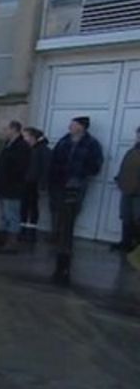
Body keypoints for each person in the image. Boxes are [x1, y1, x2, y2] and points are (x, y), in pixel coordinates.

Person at [49, 116, 104, 283]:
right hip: (59, 183)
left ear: (82, 127)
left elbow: (96, 164)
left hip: (76, 184)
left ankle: (65, 251)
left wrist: (81, 174)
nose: (70, 127)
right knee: (57, 211)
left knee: (69, 216)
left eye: (73, 124)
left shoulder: (91, 144)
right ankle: (58, 240)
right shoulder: (64, 141)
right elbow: (54, 159)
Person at [0, 120, 31, 253]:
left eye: (7, 129)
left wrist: (10, 180)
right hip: (1, 185)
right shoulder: (7, 144)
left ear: (14, 129)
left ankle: (12, 243)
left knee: (12, 215)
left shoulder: (22, 147)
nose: (4, 131)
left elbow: (20, 168)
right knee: (1, 214)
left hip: (12, 186)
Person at [19, 127, 51, 243]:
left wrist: (43, 185)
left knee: (33, 207)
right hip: (25, 182)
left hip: (34, 183)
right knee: (23, 207)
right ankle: (22, 230)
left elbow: (46, 169)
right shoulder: (28, 149)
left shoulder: (43, 150)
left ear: (32, 137)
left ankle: (31, 232)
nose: (24, 138)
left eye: (26, 136)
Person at [112, 126, 140, 252]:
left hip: (138, 192)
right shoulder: (132, 151)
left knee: (137, 218)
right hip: (127, 188)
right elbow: (125, 167)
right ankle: (126, 242)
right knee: (126, 216)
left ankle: (135, 245)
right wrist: (119, 179)